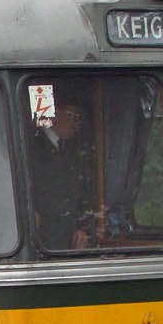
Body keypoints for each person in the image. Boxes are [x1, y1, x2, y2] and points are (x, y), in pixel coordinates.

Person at [30, 102, 97, 250]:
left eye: (79, 118)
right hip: (44, 240)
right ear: (54, 114)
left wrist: (80, 228)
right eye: (72, 116)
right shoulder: (34, 146)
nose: (76, 123)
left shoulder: (69, 147)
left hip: (66, 238)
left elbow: (74, 193)